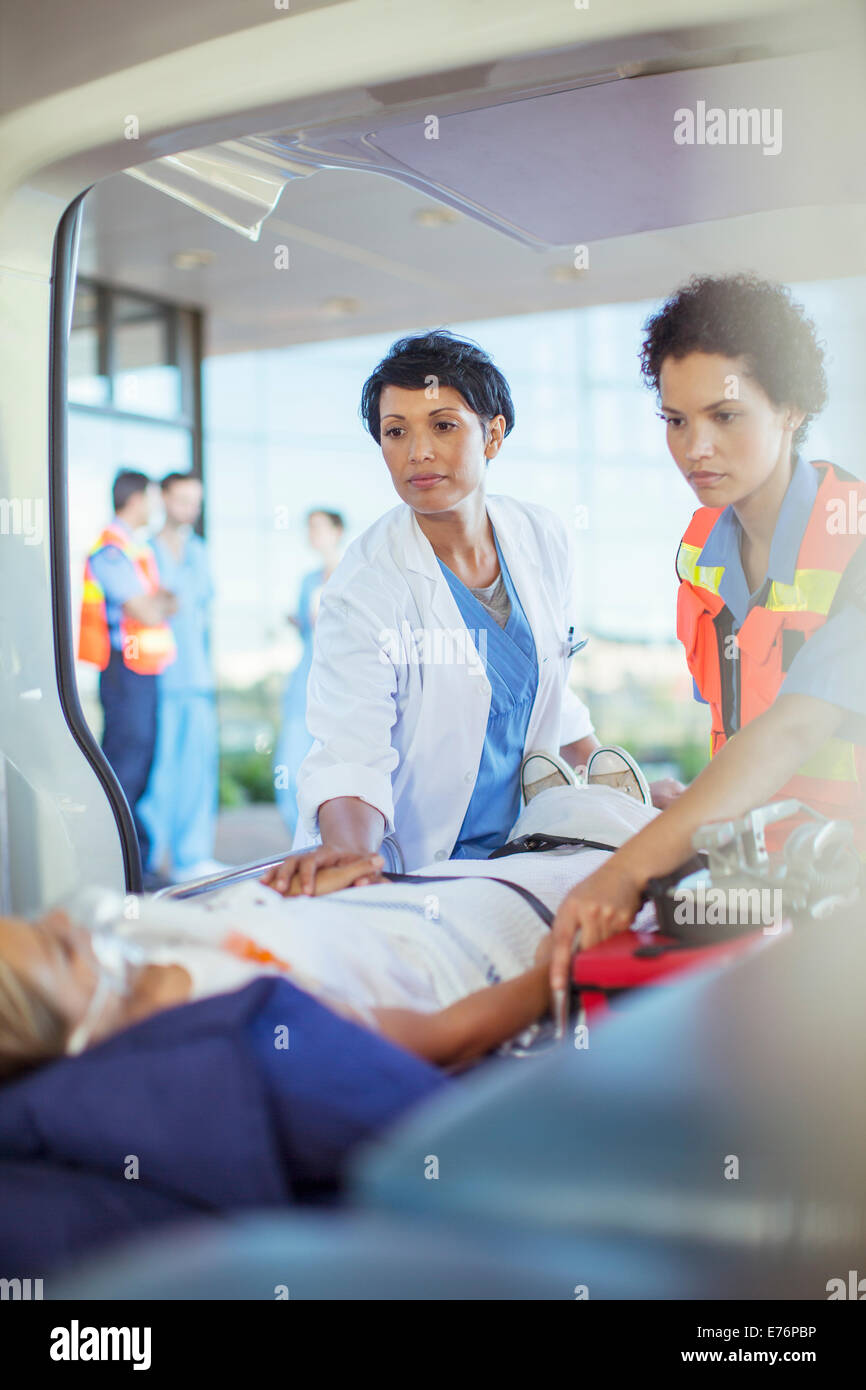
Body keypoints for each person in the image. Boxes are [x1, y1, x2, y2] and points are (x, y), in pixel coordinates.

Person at [548, 273, 866, 997]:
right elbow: (741, 734)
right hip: (762, 875)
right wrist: (699, 802)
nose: (696, 447)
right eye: (676, 420)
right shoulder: (700, 556)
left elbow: (787, 733)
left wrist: (626, 871)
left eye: (725, 416)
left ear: (791, 409)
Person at [278, 330, 680, 886]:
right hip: (417, 862)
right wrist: (351, 855)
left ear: (492, 435)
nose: (417, 451)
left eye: (443, 425)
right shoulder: (366, 586)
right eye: (396, 432)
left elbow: (547, 692)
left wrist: (623, 798)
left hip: (524, 851)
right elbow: (351, 750)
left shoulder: (542, 537)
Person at [0, 773, 659, 1078]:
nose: (72, 923)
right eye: (61, 949)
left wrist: (295, 890)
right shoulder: (233, 1035)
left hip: (380, 905)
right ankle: (612, 806)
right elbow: (447, 1036)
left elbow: (241, 932)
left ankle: (586, 805)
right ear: (76, 1043)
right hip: (459, 946)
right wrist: (565, 962)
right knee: (615, 858)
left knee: (541, 840)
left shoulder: (136, 950)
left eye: (45, 923)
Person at [78, 470, 178, 880]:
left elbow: (166, 600)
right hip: (124, 673)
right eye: (153, 498)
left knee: (142, 762)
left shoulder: (133, 549)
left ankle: (136, 862)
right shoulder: (112, 551)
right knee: (125, 766)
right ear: (135, 500)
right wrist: (157, 603)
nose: (156, 507)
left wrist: (158, 602)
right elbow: (151, 608)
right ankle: (121, 866)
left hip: (143, 671)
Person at [137, 472, 223, 883]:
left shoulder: (200, 551)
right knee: (159, 771)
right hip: (159, 677)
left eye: (196, 501)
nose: (190, 509)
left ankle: (192, 858)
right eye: (183, 499)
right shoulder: (144, 550)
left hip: (197, 679)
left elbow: (201, 610)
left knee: (196, 768)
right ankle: (151, 860)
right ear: (164, 499)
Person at [273, 509, 345, 836]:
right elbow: (308, 628)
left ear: (337, 531)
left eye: (319, 527)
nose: (312, 534)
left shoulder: (355, 574)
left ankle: (333, 837)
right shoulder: (307, 581)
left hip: (342, 683)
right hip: (306, 679)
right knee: (291, 760)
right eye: (309, 527)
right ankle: (301, 835)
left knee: (339, 762)